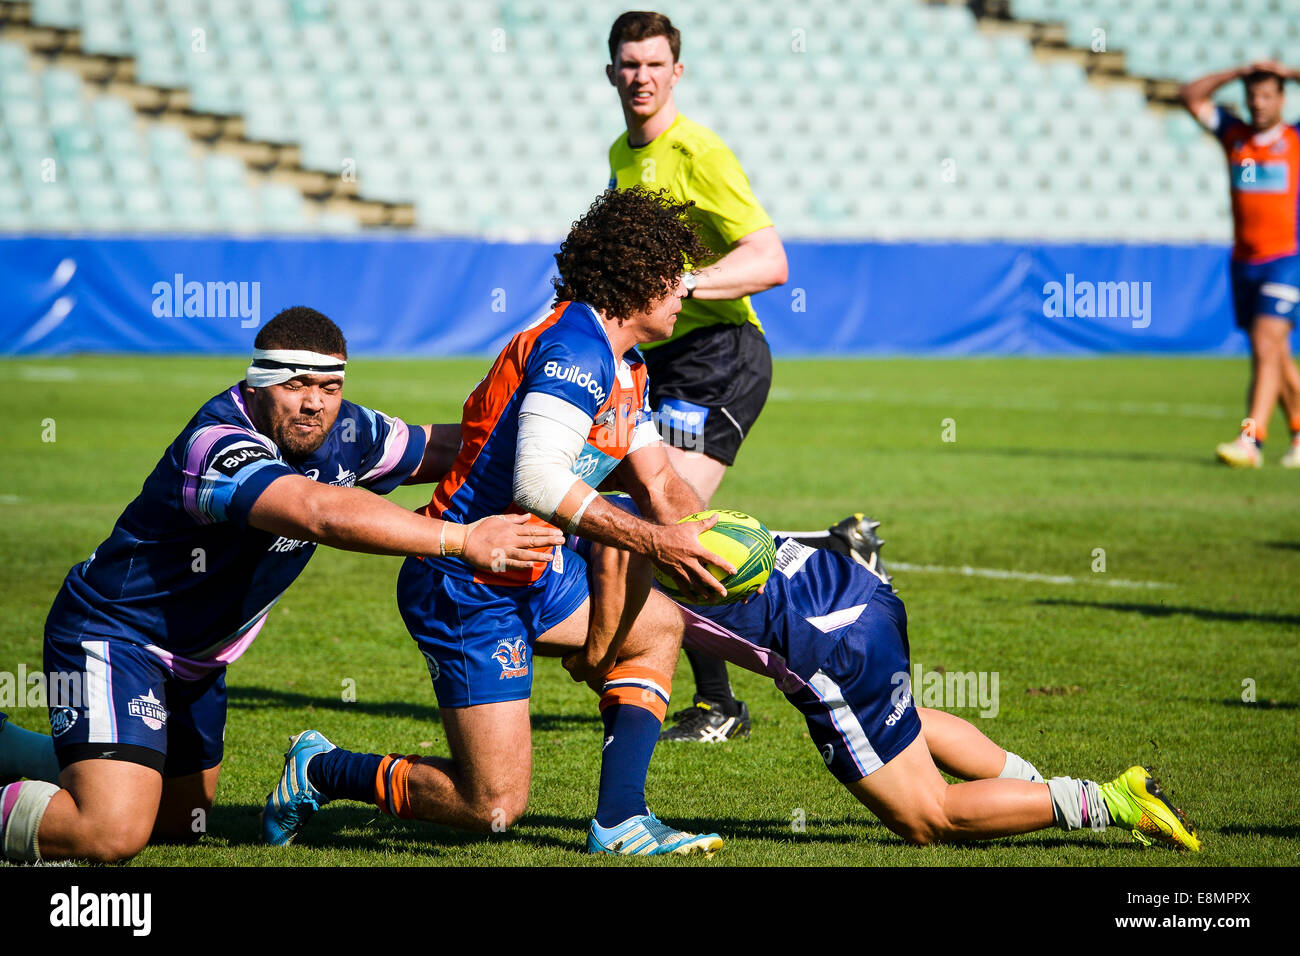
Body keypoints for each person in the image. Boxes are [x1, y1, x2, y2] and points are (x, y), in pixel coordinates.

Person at [261, 187, 738, 857]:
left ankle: (621, 819)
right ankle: (320, 767)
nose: (685, 288)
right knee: (491, 806)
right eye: (676, 273)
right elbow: (538, 483)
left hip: (533, 569)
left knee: (657, 625)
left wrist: (733, 548)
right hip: (464, 581)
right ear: (641, 276)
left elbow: (660, 483)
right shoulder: (576, 349)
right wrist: (660, 542)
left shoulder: (626, 365)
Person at [0, 307, 562, 864]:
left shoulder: (344, 431)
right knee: (110, 833)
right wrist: (461, 539)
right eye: (296, 384)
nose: (314, 402)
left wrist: (557, 447)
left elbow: (449, 449)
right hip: (117, 636)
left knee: (178, 824)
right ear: (260, 382)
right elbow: (316, 511)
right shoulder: (217, 446)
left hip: (197, 659)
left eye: (330, 386)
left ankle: (14, 748)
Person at [571, 495, 1202, 852]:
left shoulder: (600, 541)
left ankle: (1110, 801)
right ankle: (1025, 786)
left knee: (928, 818)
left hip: (831, 646)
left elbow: (610, 607)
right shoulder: (634, 496)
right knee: (904, 720)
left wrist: (592, 658)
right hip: (858, 589)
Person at [605, 11, 890, 742]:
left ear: (677, 72)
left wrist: (684, 285)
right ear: (612, 74)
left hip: (721, 358)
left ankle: (721, 706)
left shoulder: (698, 151)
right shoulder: (621, 152)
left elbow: (770, 259)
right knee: (655, 519)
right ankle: (832, 553)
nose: (641, 76)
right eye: (629, 64)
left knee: (661, 527)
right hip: (665, 360)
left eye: (654, 64)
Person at [1180, 61, 1300, 468]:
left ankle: (1252, 440)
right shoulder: (1235, 136)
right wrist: (1236, 71)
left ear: (1282, 98)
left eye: (1268, 95)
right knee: (1274, 355)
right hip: (1244, 261)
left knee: (1267, 345)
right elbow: (1190, 96)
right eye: (1253, 95)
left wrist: (1287, 70)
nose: (1259, 103)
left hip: (1288, 258)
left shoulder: (1294, 138)